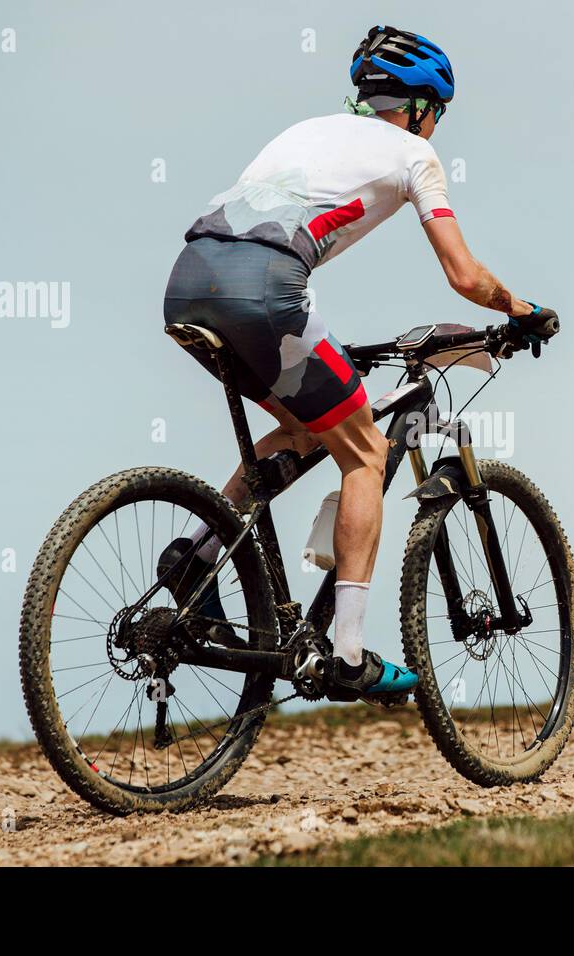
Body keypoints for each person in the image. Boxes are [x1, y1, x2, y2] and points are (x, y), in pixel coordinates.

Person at [159, 25, 549, 701]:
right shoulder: (413, 156)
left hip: (188, 282)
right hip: (267, 293)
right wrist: (518, 308)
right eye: (440, 116)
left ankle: (193, 552)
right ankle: (346, 652)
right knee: (365, 450)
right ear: (424, 107)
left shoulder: (307, 130)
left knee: (310, 425)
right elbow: (463, 275)